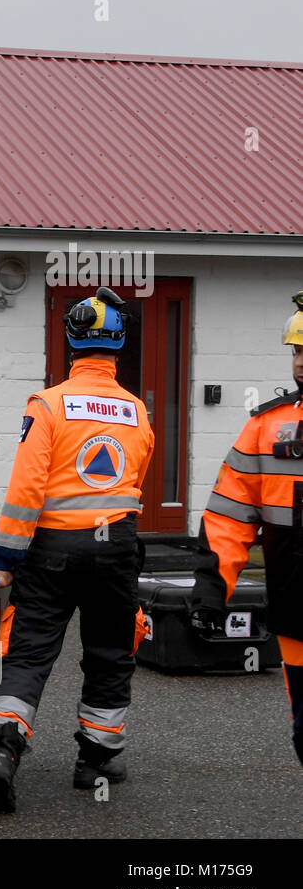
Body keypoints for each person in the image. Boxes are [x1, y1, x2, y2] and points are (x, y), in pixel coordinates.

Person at [0, 286, 154, 813]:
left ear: (71, 342)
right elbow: (135, 484)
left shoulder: (48, 404)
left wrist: (6, 560)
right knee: (109, 651)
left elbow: (26, 489)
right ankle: (96, 760)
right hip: (115, 547)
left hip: (51, 548)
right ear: (119, 345)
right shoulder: (137, 411)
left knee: (30, 650)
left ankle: (5, 748)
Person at [192, 291, 303, 768]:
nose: (300, 361)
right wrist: (211, 589)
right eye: (297, 350)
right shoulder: (267, 428)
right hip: (297, 611)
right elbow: (231, 516)